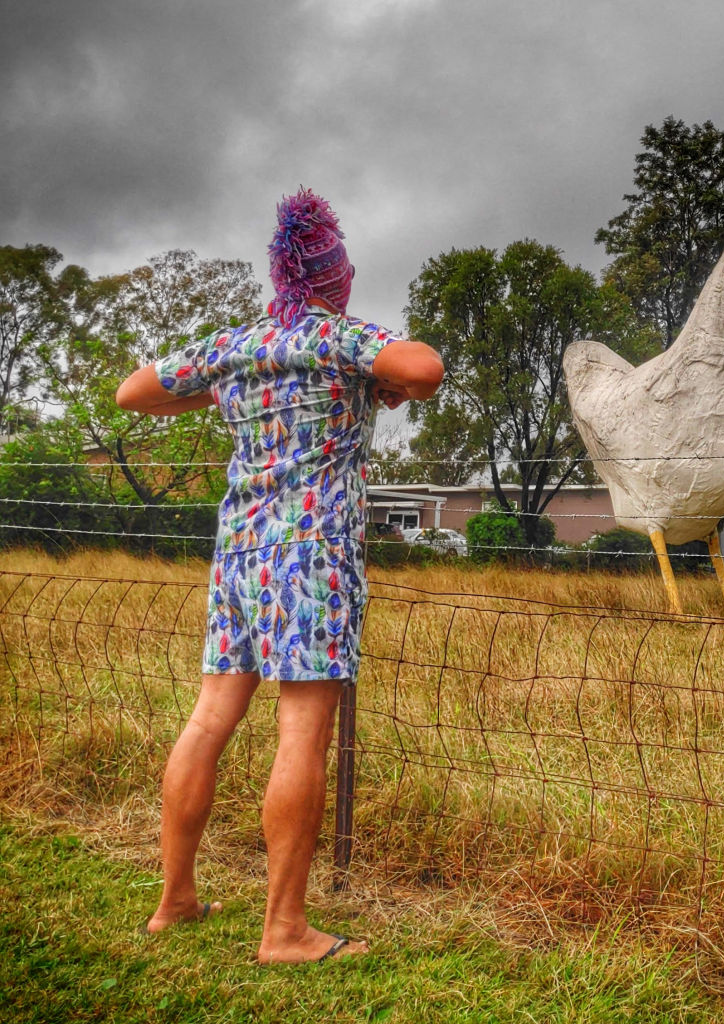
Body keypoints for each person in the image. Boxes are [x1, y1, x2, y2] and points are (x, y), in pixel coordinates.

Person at [116, 187, 444, 963]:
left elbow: (133, 391)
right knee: (302, 733)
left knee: (208, 721)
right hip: (312, 556)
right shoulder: (337, 336)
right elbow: (425, 366)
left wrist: (214, 390)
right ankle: (286, 930)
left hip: (240, 550)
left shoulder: (240, 343)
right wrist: (383, 377)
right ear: (336, 278)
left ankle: (175, 902)